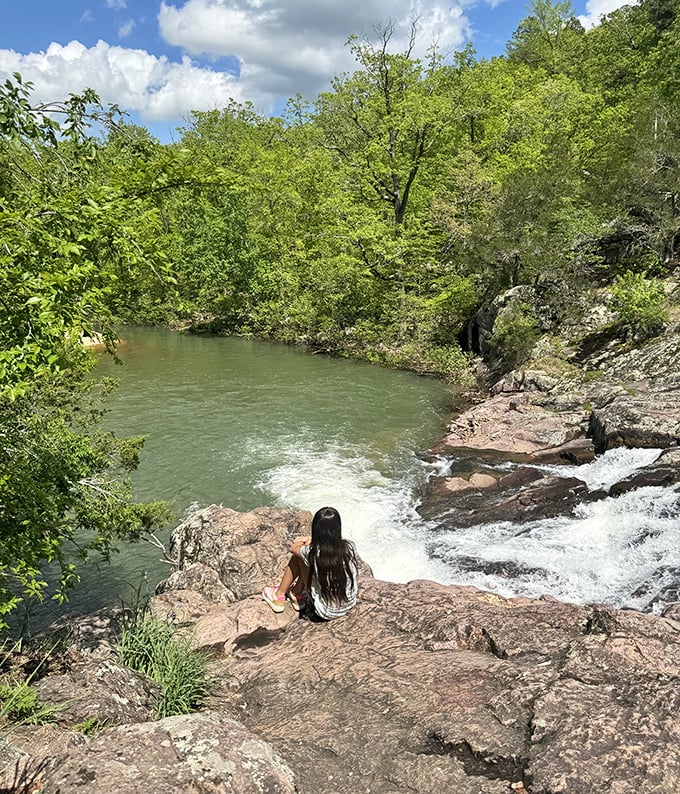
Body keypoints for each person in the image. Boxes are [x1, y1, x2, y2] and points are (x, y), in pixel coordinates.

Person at [261, 506, 358, 621]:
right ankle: (296, 594)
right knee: (305, 558)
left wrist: (305, 540)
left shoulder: (312, 552)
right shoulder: (349, 547)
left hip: (325, 611)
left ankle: (279, 596)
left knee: (298, 557)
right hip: (348, 603)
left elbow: (293, 548)